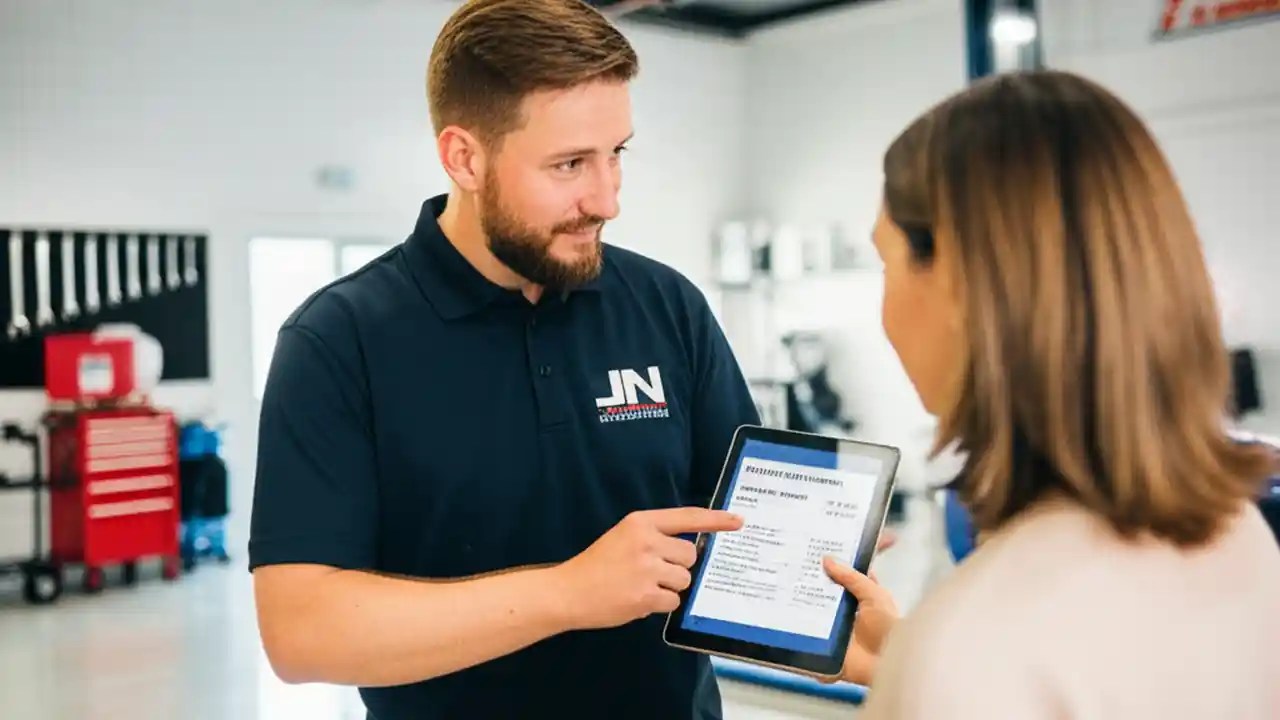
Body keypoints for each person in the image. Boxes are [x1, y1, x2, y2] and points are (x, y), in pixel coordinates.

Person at [247, 1, 761, 717]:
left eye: (617, 153)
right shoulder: (338, 341)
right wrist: (568, 593)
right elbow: (302, 632)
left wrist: (820, 585)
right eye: (570, 164)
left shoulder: (667, 307)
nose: (607, 198)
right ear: (465, 157)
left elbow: (741, 530)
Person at [820, 70, 1280, 718]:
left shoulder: (972, 644)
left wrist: (925, 675)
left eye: (888, 262)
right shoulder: (1239, 540)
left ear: (955, 279)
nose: (886, 308)